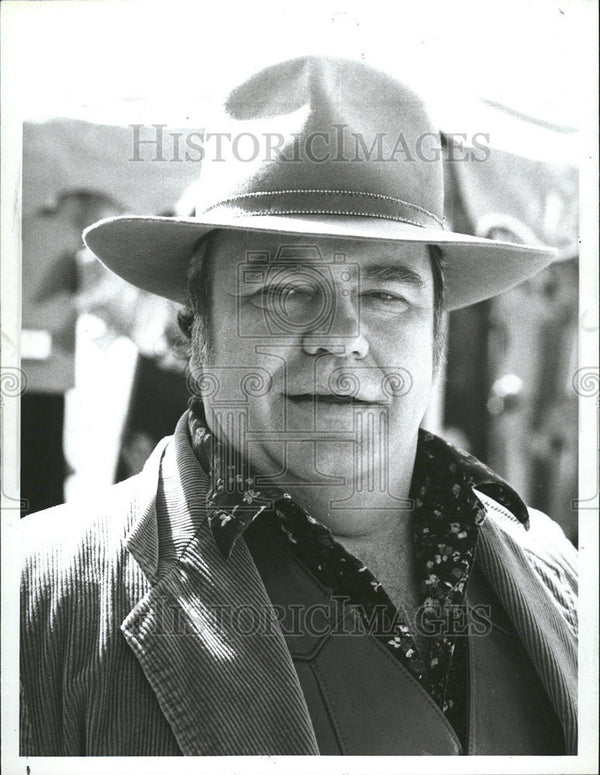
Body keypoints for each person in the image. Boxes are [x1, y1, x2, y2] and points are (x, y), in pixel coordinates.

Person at [20, 56, 577, 757]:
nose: (341, 335)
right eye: (285, 290)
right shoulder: (34, 600)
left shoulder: (556, 569)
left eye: (385, 294)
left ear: (436, 332)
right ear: (196, 329)